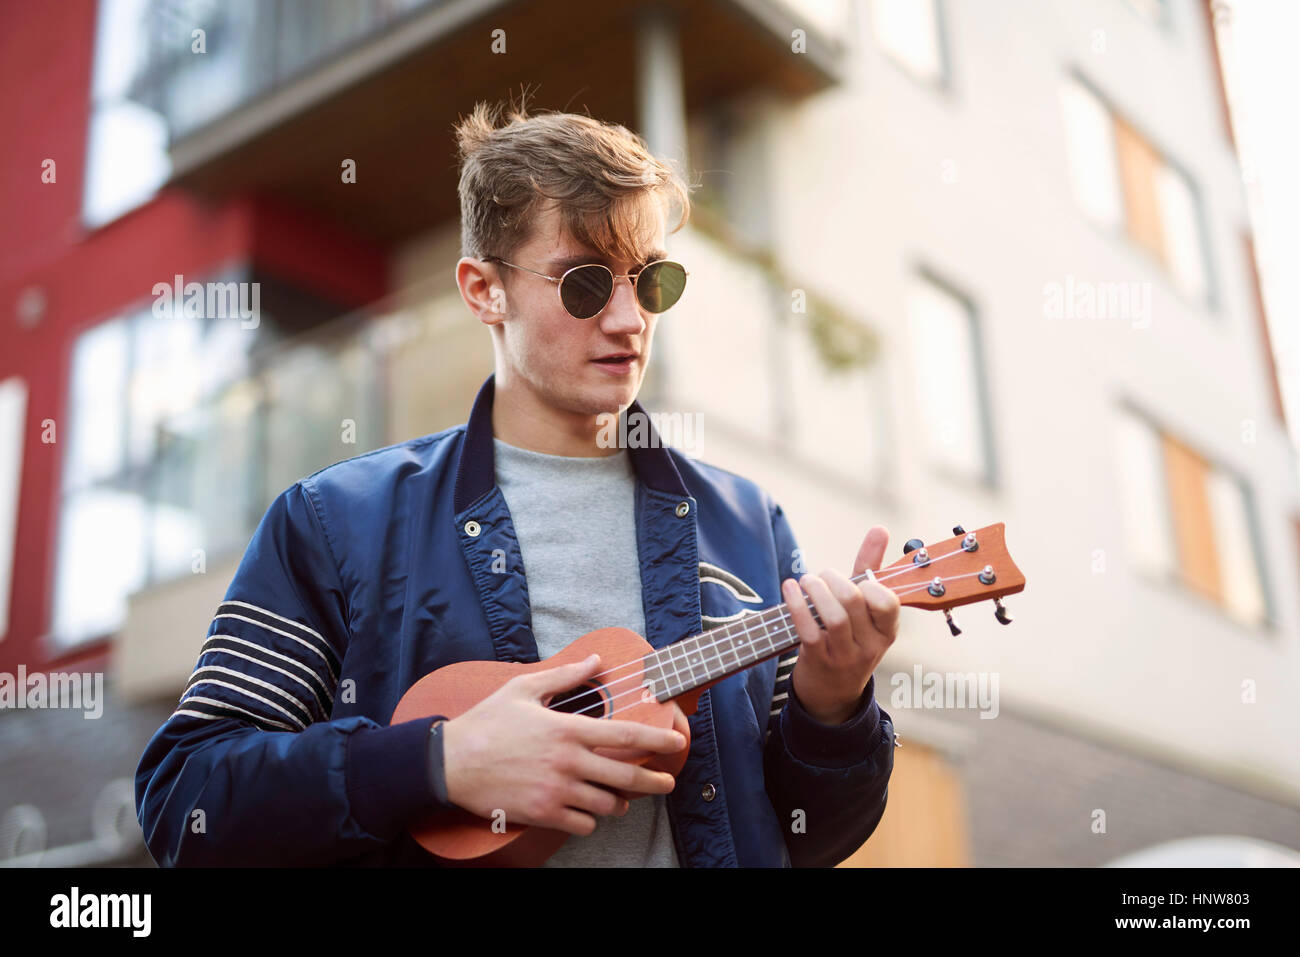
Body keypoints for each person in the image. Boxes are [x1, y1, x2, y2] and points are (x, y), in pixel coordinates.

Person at [135, 99, 899, 868]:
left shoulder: (747, 521)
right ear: (482, 291)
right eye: (585, 284)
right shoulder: (336, 523)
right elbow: (186, 800)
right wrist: (439, 763)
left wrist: (833, 703)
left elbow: (806, 836)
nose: (630, 319)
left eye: (652, 281)